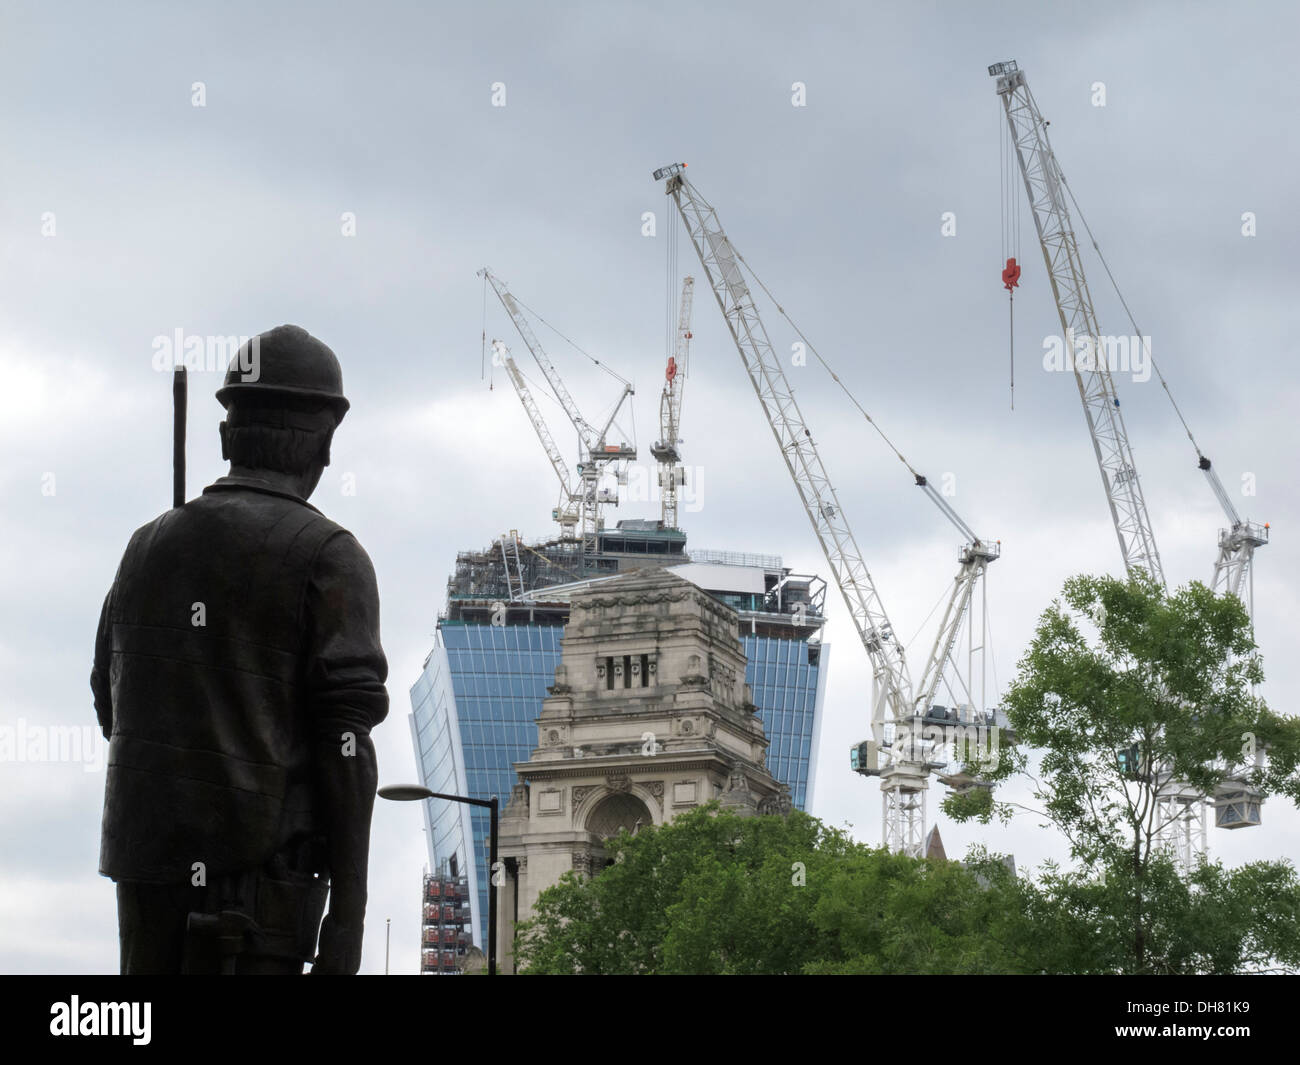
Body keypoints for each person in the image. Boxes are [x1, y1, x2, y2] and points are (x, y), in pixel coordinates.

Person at [90, 324, 388, 974]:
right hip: (260, 903)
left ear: (227, 434)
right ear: (324, 443)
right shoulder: (330, 558)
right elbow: (348, 750)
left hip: (147, 892)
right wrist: (349, 916)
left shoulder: (144, 548)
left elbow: (110, 704)